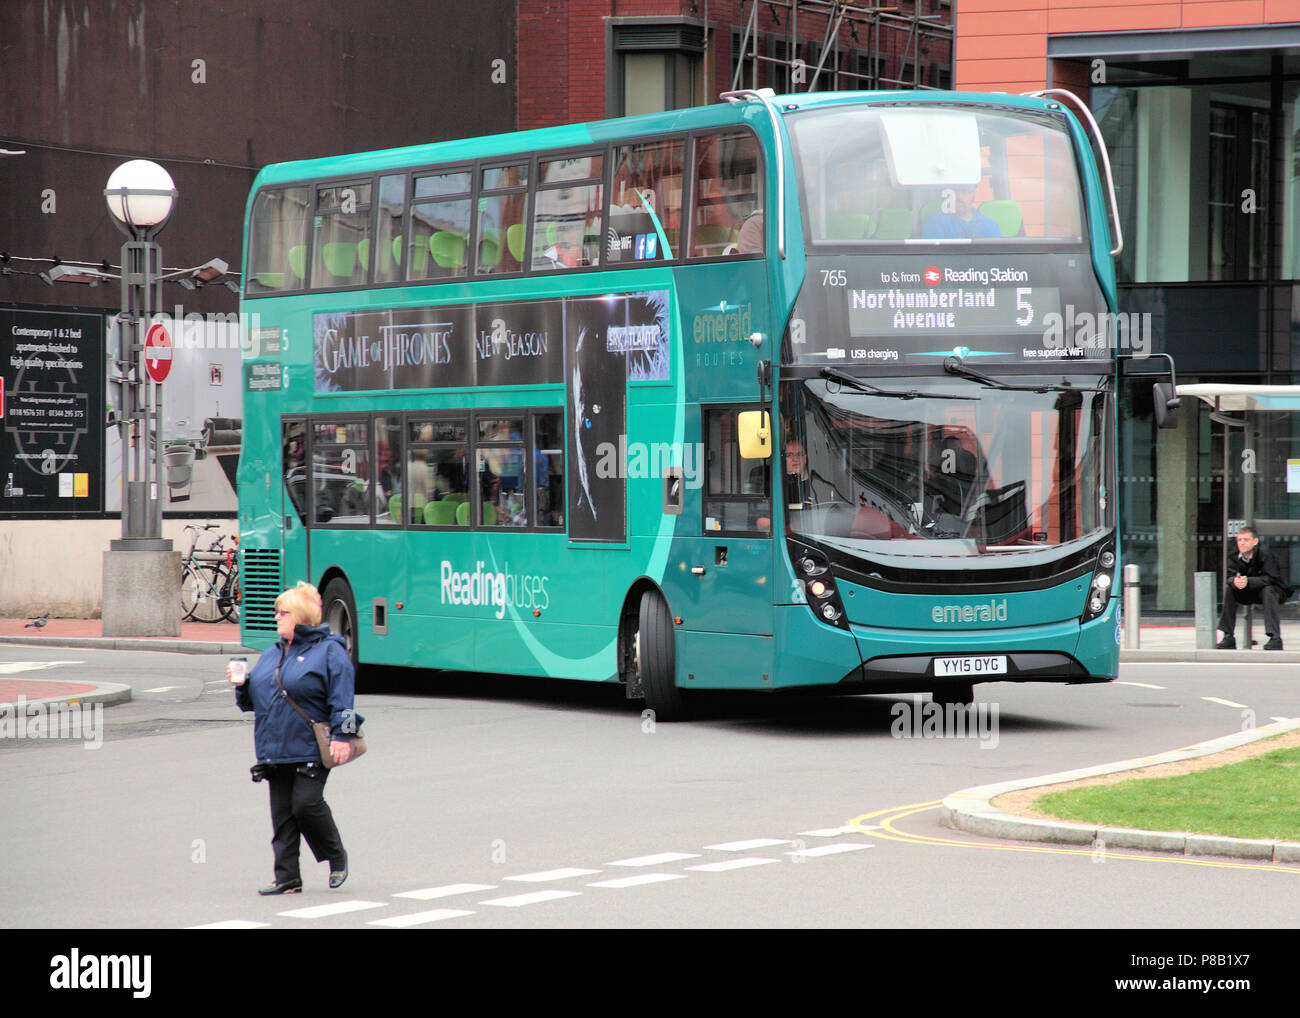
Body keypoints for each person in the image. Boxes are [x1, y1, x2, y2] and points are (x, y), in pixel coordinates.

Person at [230, 581, 362, 894]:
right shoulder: (271, 654)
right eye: (276, 612)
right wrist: (240, 684)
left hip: (311, 745)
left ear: (301, 616)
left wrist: (343, 737)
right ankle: (287, 877)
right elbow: (251, 703)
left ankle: (335, 855)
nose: (276, 617)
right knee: (282, 816)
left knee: (305, 805)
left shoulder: (330, 651)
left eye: (283, 612)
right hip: (274, 748)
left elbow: (342, 697)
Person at [1216, 526, 1291, 650]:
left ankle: (1275, 638)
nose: (1242, 543)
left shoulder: (1264, 553)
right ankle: (1228, 637)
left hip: (1273, 591)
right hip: (1249, 590)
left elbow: (1271, 578)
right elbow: (1228, 576)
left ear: (1255, 542)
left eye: (1246, 540)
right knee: (1230, 589)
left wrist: (1248, 581)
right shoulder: (1234, 554)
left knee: (1268, 591)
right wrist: (1235, 581)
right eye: (1239, 540)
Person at [921, 186, 1000, 240]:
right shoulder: (936, 221)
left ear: (974, 194)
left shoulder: (990, 225)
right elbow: (934, 255)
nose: (959, 197)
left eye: (965, 192)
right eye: (954, 192)